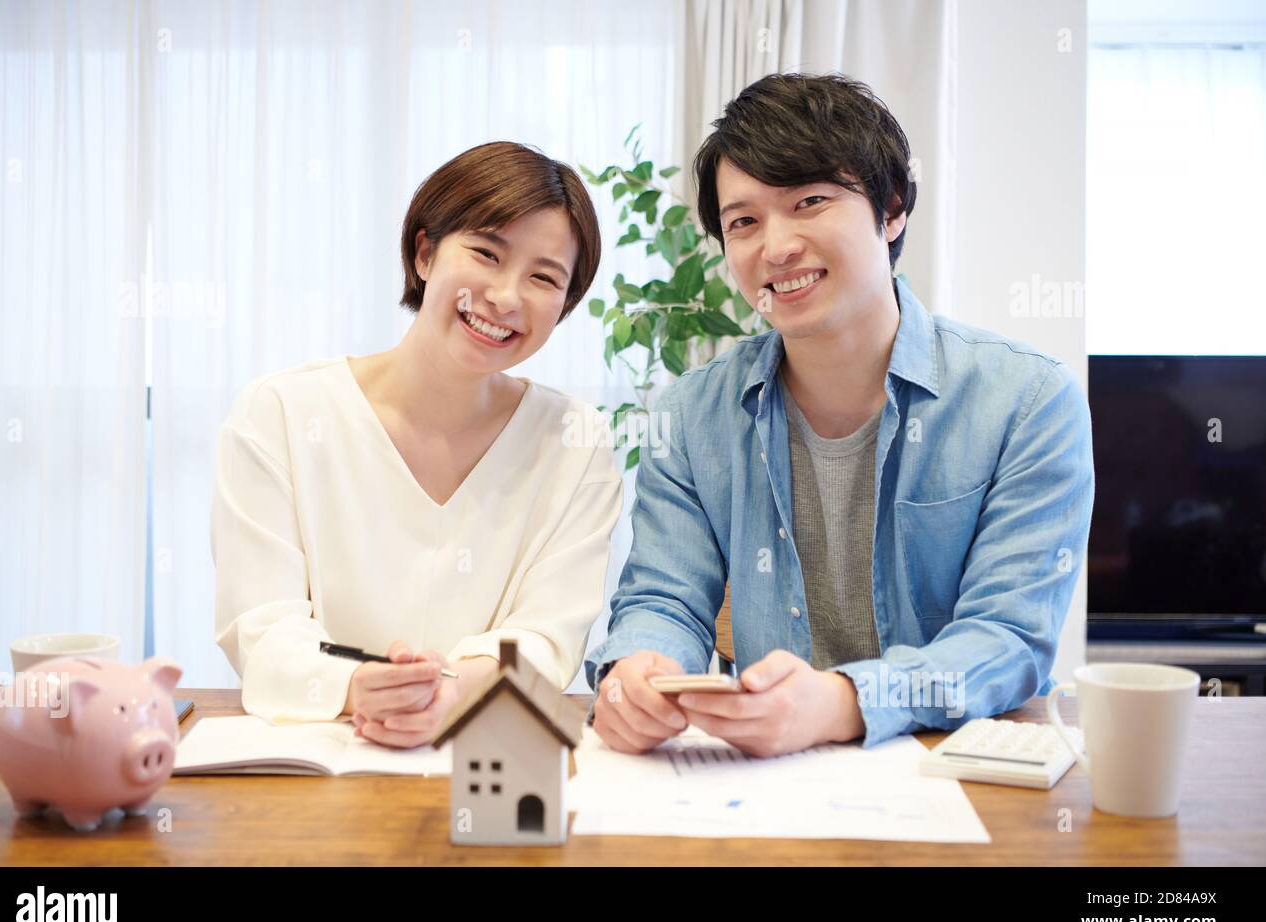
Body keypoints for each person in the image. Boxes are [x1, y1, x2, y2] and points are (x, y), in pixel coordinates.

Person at [586, 73, 1095, 755]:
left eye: (810, 201)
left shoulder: (1028, 401)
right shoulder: (690, 415)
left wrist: (843, 701)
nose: (776, 246)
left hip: (957, 772)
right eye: (744, 222)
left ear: (890, 210)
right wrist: (642, 669)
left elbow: (1008, 636)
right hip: (764, 785)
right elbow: (664, 598)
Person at [212, 141, 622, 747]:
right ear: (425, 252)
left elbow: (545, 636)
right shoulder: (280, 414)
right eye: (486, 252)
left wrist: (450, 693)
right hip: (319, 760)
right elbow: (263, 629)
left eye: (543, 277)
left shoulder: (576, 444)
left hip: (485, 763)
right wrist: (358, 689)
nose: (507, 297)